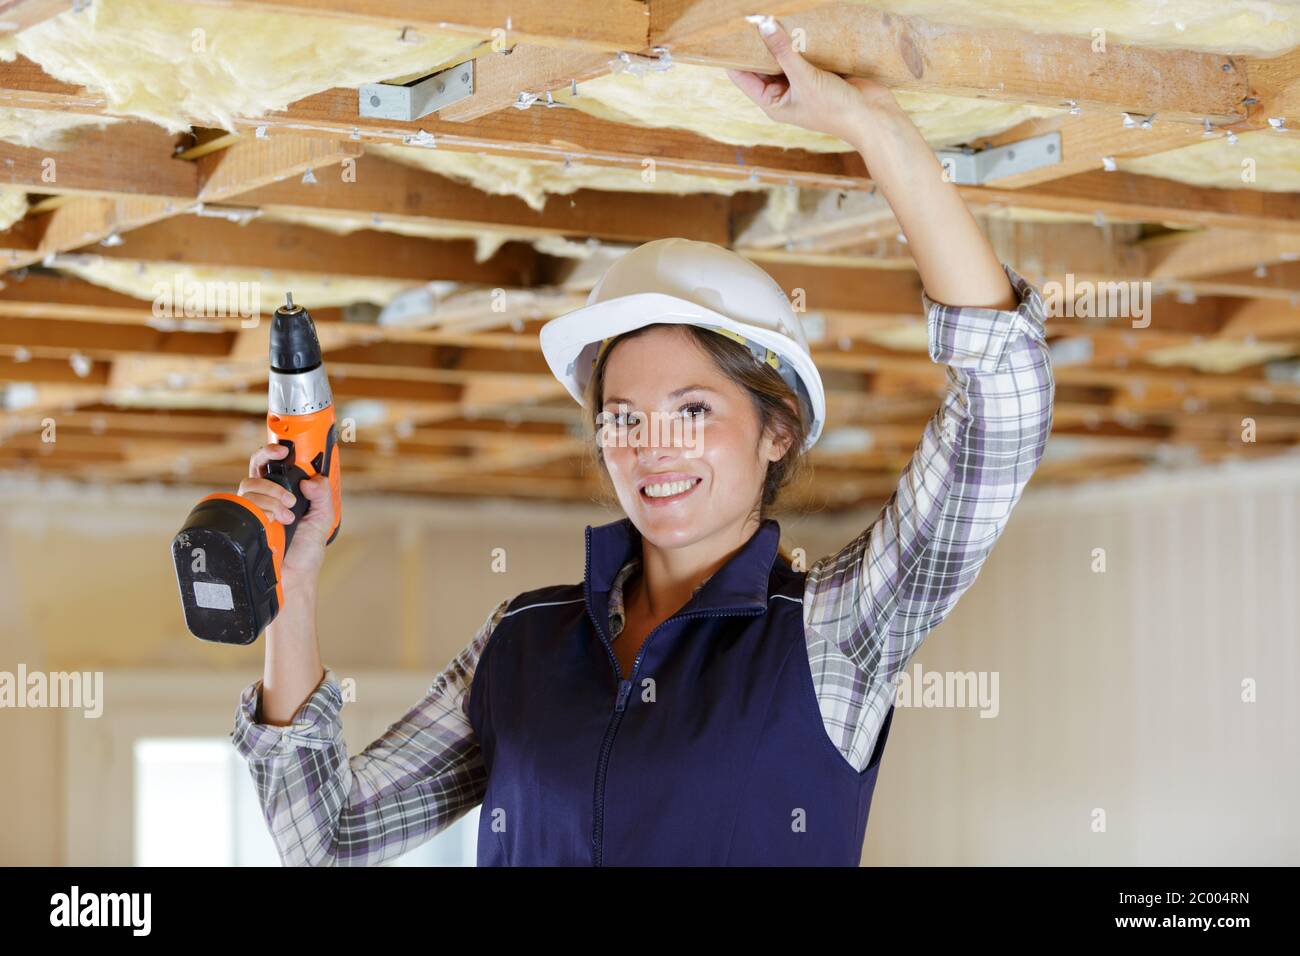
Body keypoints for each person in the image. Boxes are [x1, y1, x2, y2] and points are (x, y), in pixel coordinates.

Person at [230, 19, 1054, 866]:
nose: (653, 446)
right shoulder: (522, 642)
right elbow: (326, 838)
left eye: (693, 410)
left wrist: (876, 130)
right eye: (623, 417)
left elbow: (1006, 400)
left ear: (777, 431)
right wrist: (288, 588)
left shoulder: (831, 634)